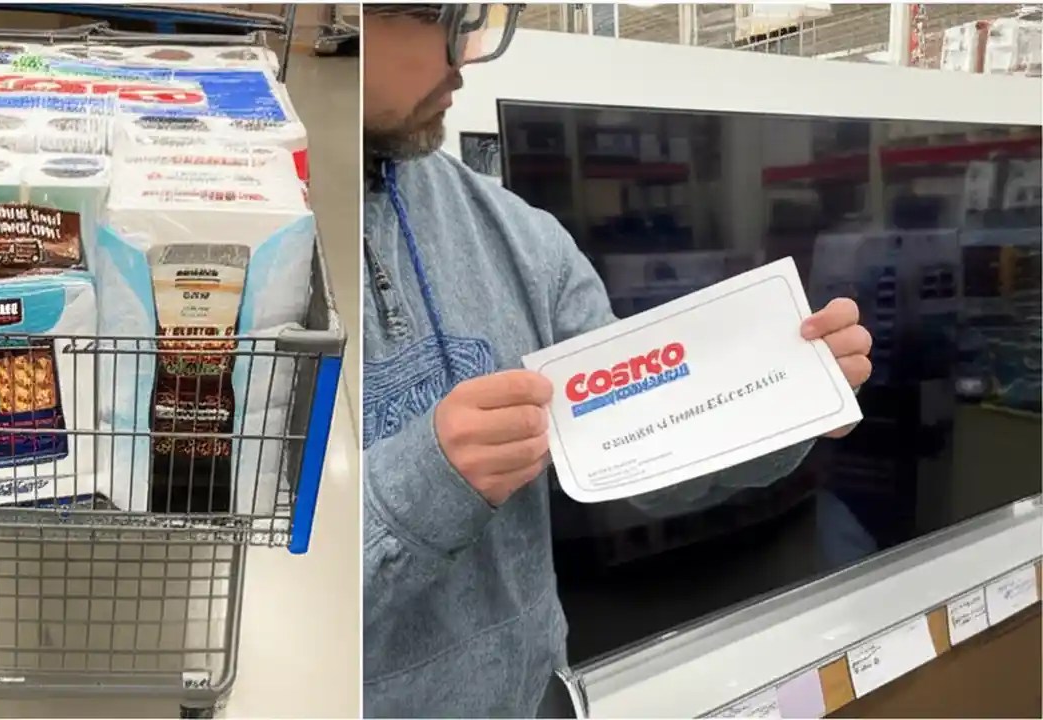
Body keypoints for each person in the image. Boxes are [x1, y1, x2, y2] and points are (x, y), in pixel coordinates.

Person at [361, 5, 874, 717]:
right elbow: (226, 572)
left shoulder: (519, 238)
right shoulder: (250, 252)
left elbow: (638, 450)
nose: (468, 58)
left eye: (481, 19)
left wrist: (786, 400)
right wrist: (429, 479)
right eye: (449, 19)